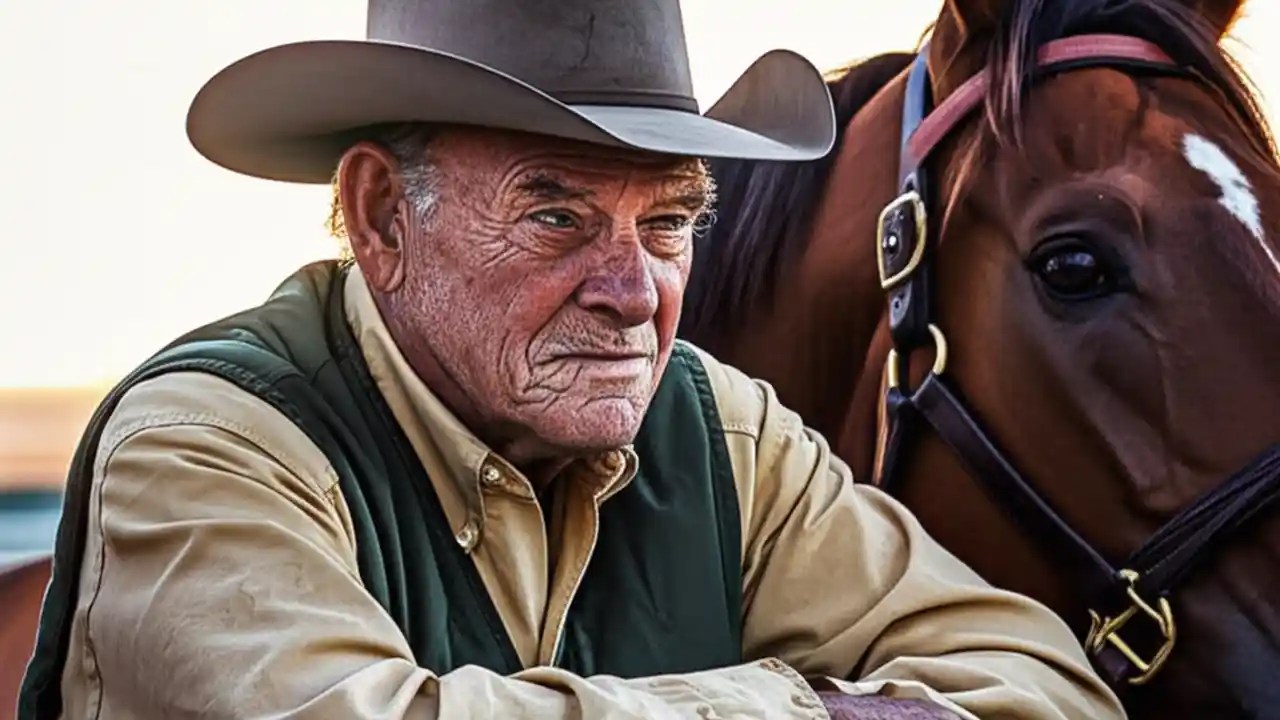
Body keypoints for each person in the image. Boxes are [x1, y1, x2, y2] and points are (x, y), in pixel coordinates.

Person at [19, 1, 1126, 718]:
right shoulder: (207, 444)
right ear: (379, 218)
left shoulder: (723, 436)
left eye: (667, 224)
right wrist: (810, 711)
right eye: (555, 218)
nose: (635, 294)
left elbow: (1045, 689)